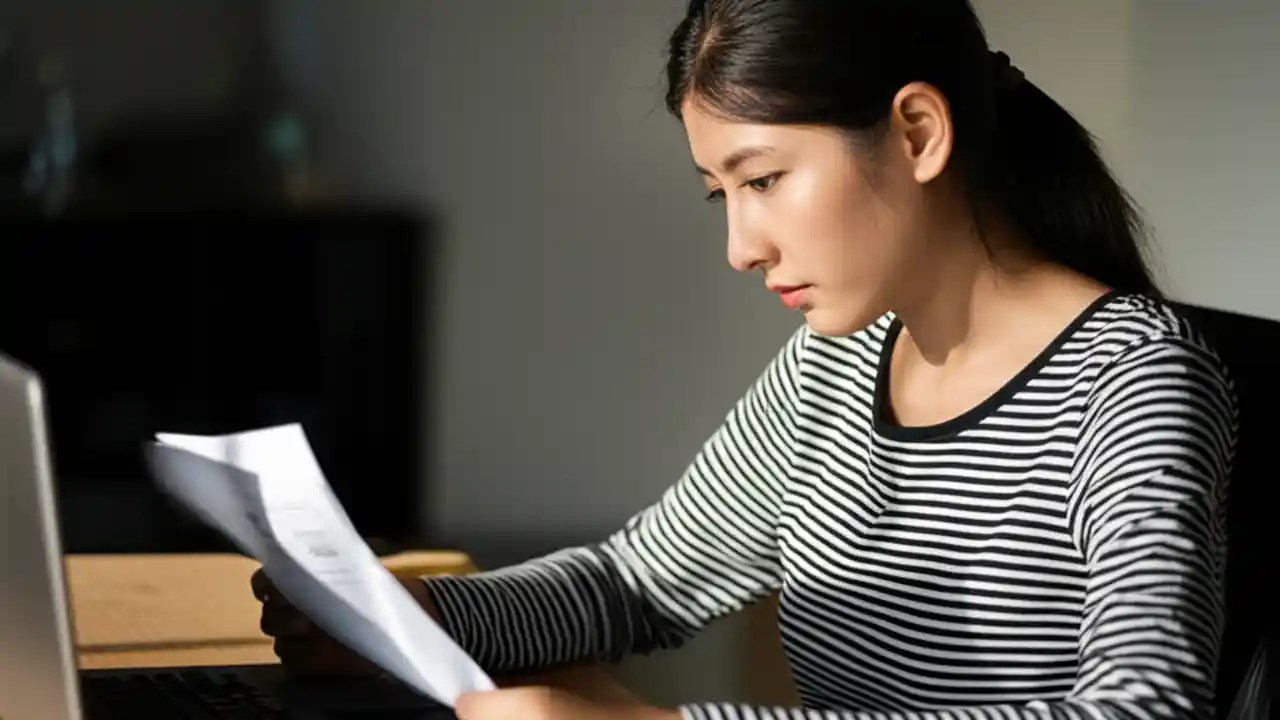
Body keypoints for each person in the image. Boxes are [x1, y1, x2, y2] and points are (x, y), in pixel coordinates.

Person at [253, 1, 1240, 719]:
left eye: (763, 179)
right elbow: (630, 586)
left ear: (916, 133)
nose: (740, 246)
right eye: (717, 195)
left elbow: (1139, 708)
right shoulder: (834, 365)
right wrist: (406, 614)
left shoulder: (1131, 377)